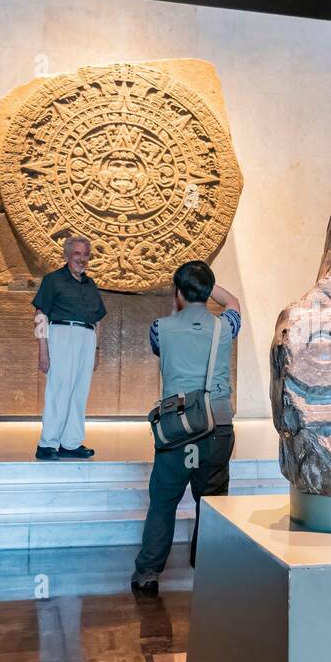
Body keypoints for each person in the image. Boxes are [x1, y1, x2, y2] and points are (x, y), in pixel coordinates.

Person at [132, 261, 241, 595]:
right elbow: (233, 302)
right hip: (217, 426)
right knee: (211, 503)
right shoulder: (226, 328)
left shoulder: (159, 329)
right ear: (208, 293)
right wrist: (206, 287)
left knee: (163, 502)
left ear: (178, 293)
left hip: (178, 427)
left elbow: (161, 345)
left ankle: (149, 572)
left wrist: (177, 299)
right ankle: (208, 566)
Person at [32, 236, 106, 461]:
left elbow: (98, 320)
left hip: (87, 337)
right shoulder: (53, 280)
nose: (82, 259)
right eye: (77, 254)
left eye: (86, 255)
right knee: (59, 389)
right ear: (66, 255)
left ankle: (70, 443)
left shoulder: (91, 284)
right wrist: (43, 350)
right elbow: (40, 315)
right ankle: (47, 444)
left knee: (79, 392)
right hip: (62, 334)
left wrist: (96, 350)